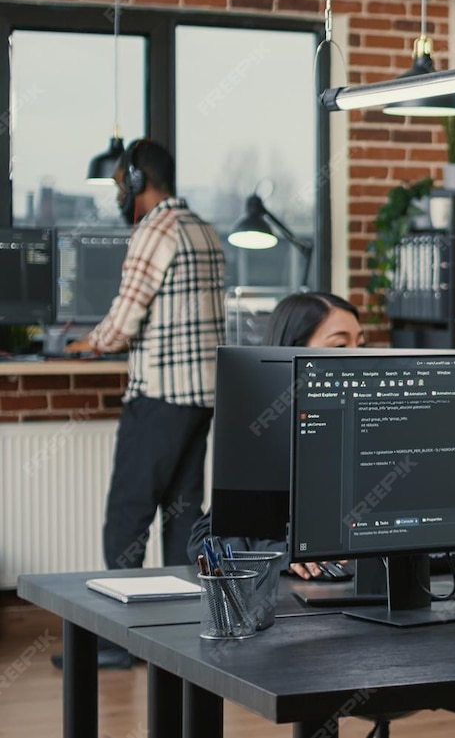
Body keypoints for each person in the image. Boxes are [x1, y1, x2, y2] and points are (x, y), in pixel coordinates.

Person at [61, 138, 226, 669]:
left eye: (117, 184)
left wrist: (87, 341)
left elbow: (123, 322)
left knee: (126, 518)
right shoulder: (205, 230)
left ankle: (120, 639)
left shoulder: (154, 230)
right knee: (182, 518)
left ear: (136, 181)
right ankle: (181, 631)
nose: (116, 194)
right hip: (201, 398)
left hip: (158, 398)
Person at [188, 292, 364, 580]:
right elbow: (206, 540)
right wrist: (285, 554)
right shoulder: (268, 434)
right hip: (303, 603)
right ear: (292, 353)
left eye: (362, 344)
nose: (359, 356)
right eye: (342, 345)